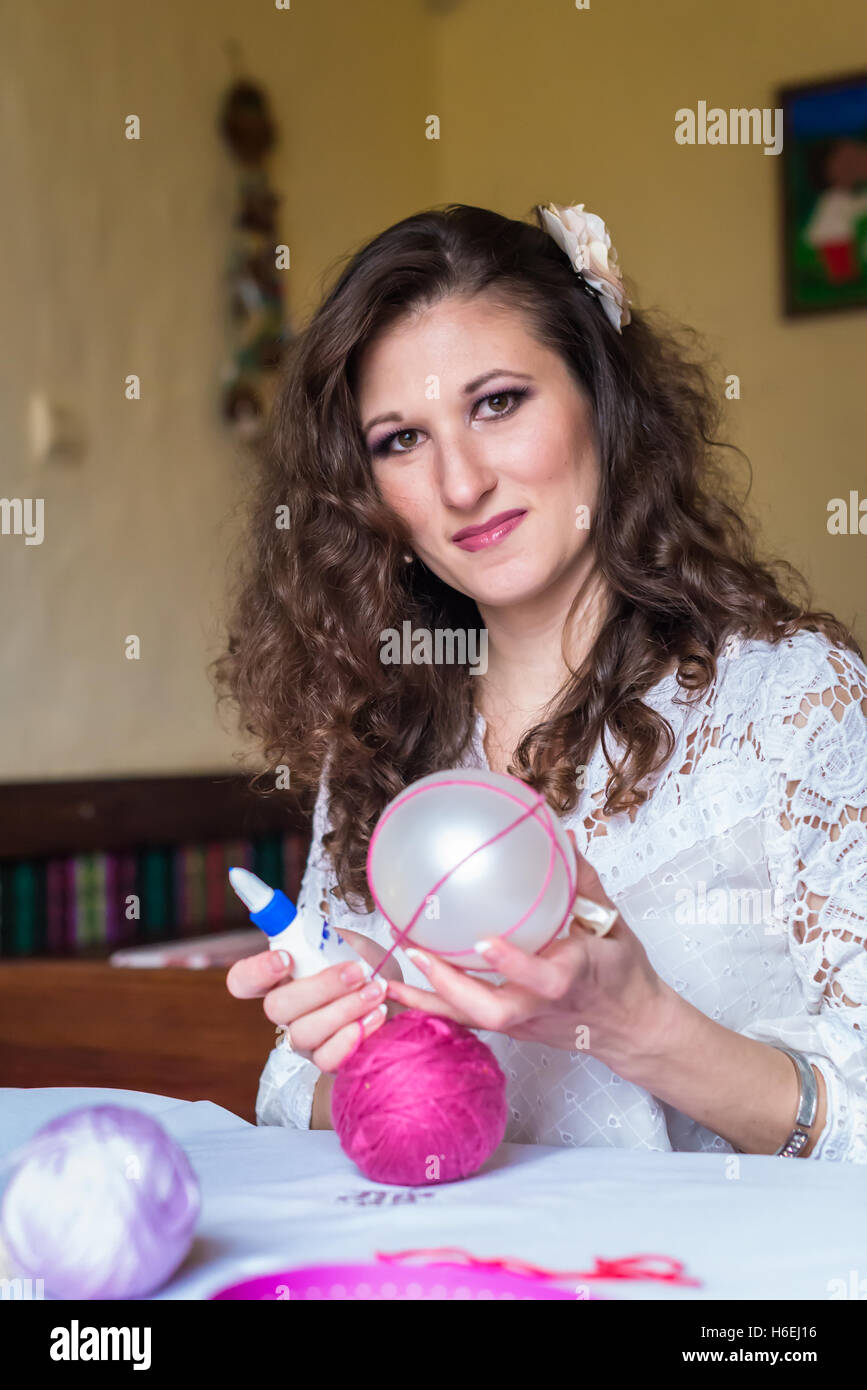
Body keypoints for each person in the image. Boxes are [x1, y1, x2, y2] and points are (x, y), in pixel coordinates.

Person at [216, 201, 867, 1161]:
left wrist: (638, 1023)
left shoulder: (793, 703)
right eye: (401, 439)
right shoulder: (383, 732)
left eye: (496, 403)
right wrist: (367, 1044)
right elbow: (289, 1091)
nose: (461, 483)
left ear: (599, 399)